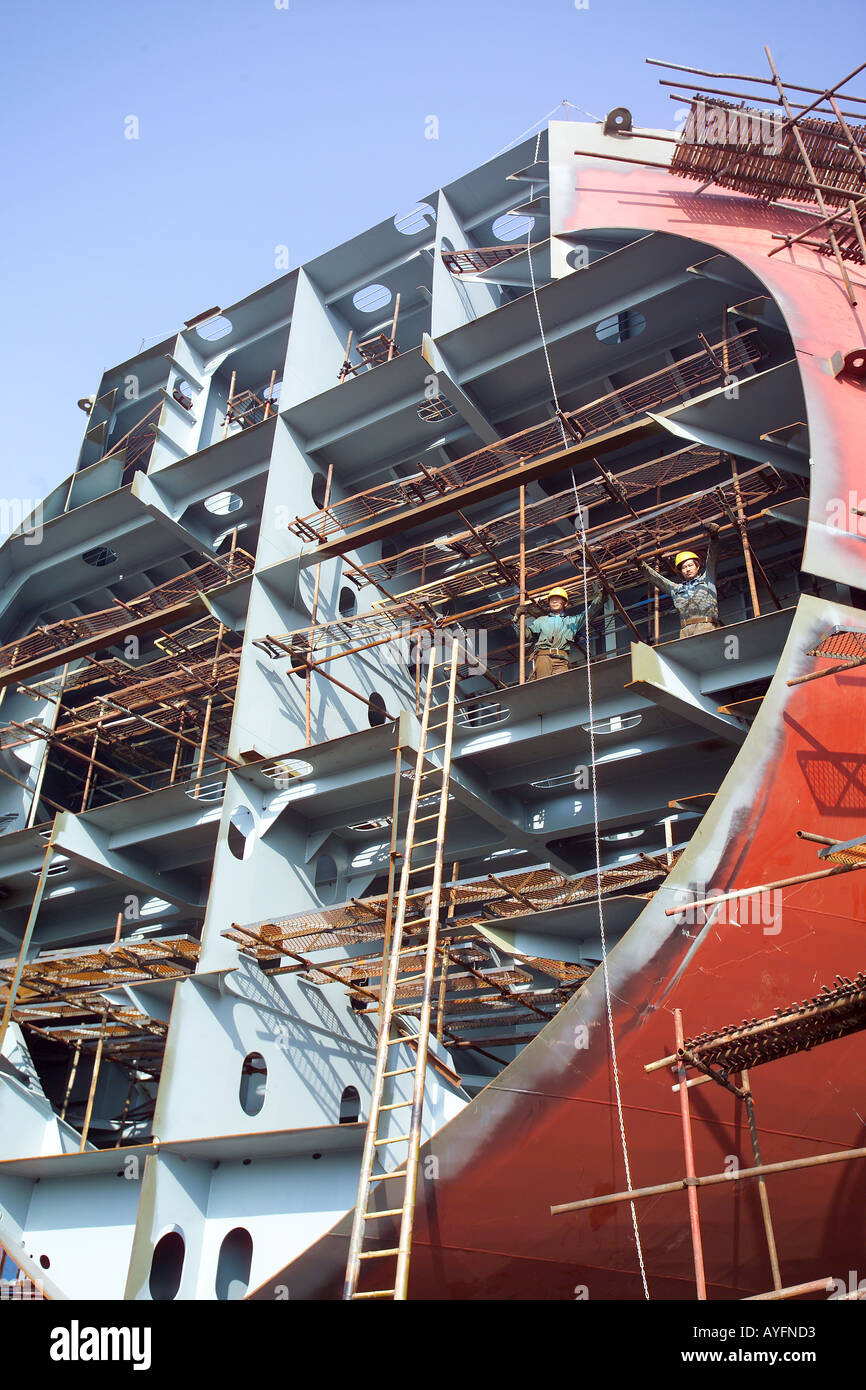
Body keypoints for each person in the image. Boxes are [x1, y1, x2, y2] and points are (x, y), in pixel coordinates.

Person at [637, 522, 721, 638]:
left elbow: (712, 558)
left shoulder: (707, 580)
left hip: (706, 626)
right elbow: (657, 579)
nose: (687, 569)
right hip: (685, 631)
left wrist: (714, 537)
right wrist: (640, 565)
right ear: (681, 571)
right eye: (684, 567)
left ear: (697, 567)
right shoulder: (677, 589)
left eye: (690, 565)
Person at [514, 585, 603, 680]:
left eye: (558, 599)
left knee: (561, 684)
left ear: (565, 603)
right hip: (543, 657)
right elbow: (524, 636)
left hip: (561, 659)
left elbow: (590, 613)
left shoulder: (571, 621)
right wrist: (517, 618)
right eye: (552, 600)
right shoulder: (541, 621)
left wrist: (602, 596)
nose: (554, 601)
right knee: (543, 684)